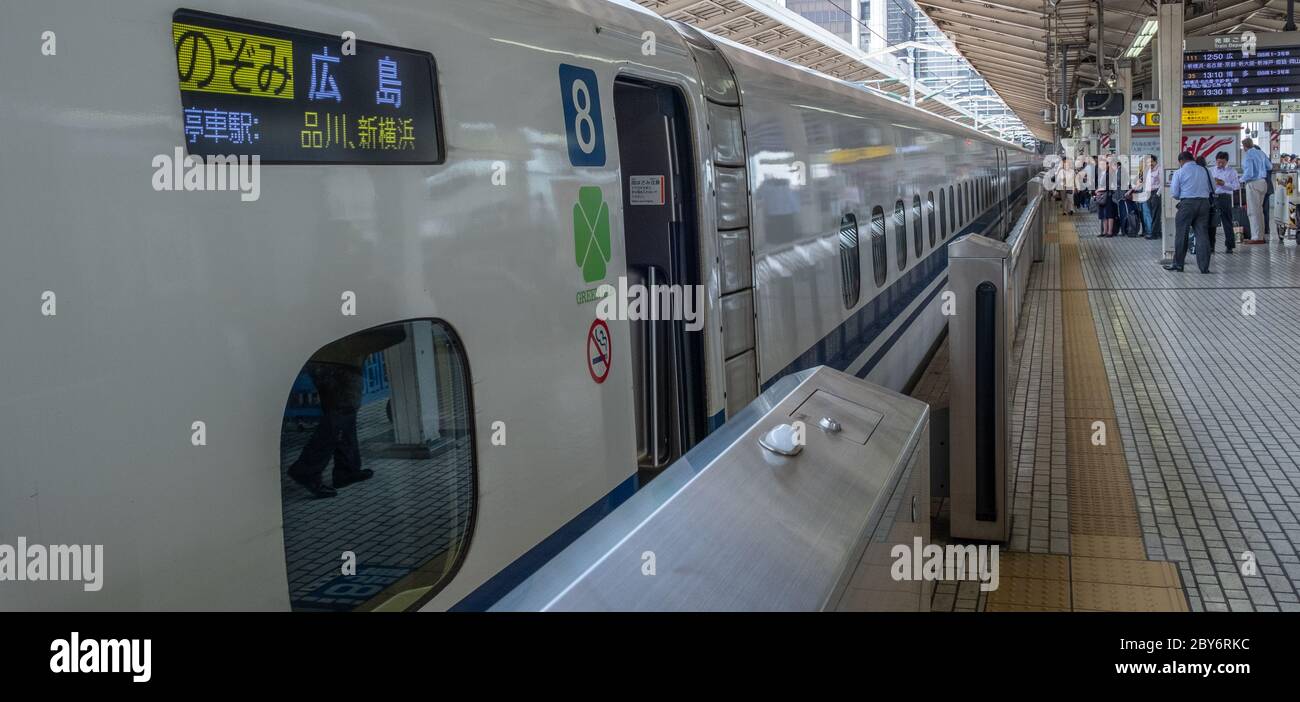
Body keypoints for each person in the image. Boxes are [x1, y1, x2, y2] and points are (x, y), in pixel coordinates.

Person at [288, 325, 407, 498]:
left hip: (327, 357)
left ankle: (347, 469)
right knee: (342, 412)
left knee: (342, 414)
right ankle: (307, 468)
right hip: (342, 360)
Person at [1165, 151, 1215, 273]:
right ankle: (1204, 268)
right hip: (1204, 204)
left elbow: (1175, 193)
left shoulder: (1179, 172)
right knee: (1202, 235)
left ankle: (1178, 264)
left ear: (1181, 161)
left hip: (1187, 204)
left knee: (1181, 234)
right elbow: (1213, 188)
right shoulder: (1205, 171)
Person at [1208, 151, 1239, 253]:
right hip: (1213, 197)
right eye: (1218, 162)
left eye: (1222, 162)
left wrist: (1223, 183)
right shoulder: (1211, 170)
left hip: (1225, 197)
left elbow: (1236, 186)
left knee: (1227, 222)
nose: (1220, 164)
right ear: (1216, 161)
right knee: (1212, 223)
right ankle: (1211, 246)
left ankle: (1229, 246)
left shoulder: (1232, 171)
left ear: (1226, 162)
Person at [1241, 137, 1269, 243]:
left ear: (1244, 146)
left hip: (1253, 184)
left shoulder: (1248, 155)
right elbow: (1269, 166)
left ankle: (1256, 237)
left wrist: (1240, 180)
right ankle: (1261, 236)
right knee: (1260, 211)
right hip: (1263, 182)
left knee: (1253, 211)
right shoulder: (1261, 153)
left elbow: (1249, 173)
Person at [1139, 154, 1161, 240]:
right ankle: (1152, 231)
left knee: (1155, 214)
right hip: (1147, 193)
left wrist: (1157, 194)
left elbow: (1162, 183)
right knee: (1149, 213)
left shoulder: (1159, 169)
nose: (1150, 163)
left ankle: (1154, 233)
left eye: (1152, 162)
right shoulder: (1147, 170)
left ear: (1155, 161)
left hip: (1155, 193)